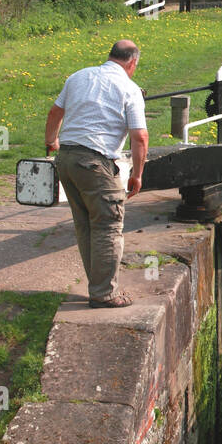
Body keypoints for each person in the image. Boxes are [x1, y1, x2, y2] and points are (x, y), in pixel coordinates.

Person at [45, 40, 149, 308]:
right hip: (96, 163)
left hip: (66, 159)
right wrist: (137, 175)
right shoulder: (130, 88)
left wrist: (52, 142)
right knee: (108, 227)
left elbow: (56, 112)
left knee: (86, 225)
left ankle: (98, 286)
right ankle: (104, 294)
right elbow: (140, 137)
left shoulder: (79, 76)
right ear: (132, 63)